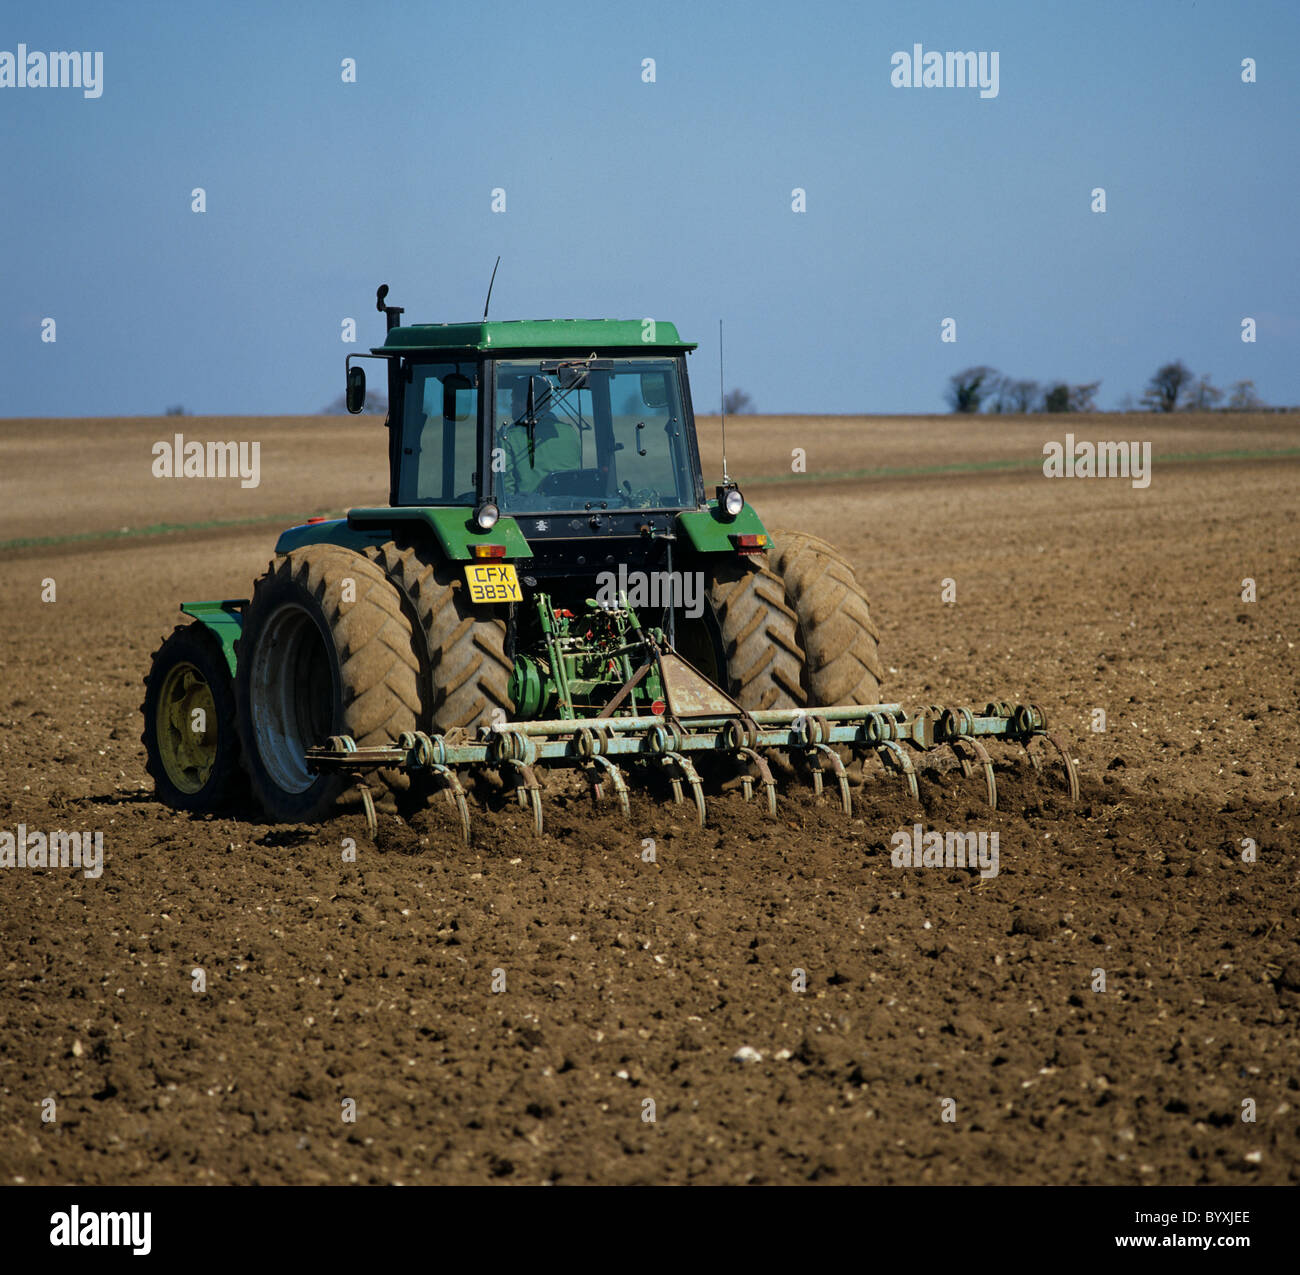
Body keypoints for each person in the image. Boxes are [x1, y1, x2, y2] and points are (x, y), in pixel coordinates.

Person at [498, 377, 583, 497]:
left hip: (528, 511)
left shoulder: (508, 437)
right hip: (569, 508)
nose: (511, 405)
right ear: (548, 403)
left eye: (514, 400)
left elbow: (503, 489)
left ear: (524, 403)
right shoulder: (570, 432)